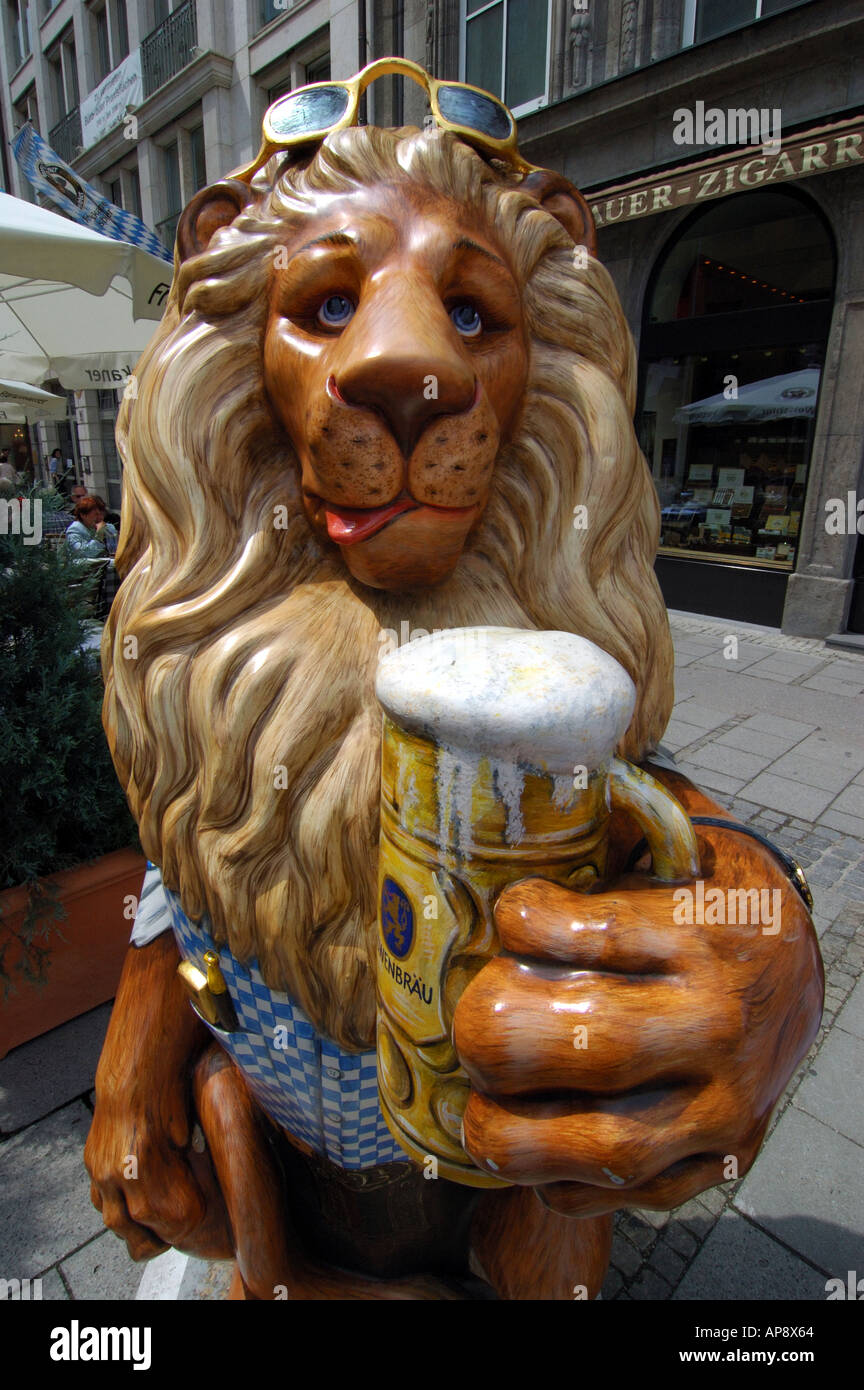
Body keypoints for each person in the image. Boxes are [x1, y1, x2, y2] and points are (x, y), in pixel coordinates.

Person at [65, 495, 119, 617]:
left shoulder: (108, 528)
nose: (99, 518)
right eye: (95, 514)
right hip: (84, 572)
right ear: (83, 515)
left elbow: (116, 548)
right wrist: (98, 537)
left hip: (106, 567)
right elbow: (83, 553)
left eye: (101, 514)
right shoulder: (75, 530)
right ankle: (107, 608)